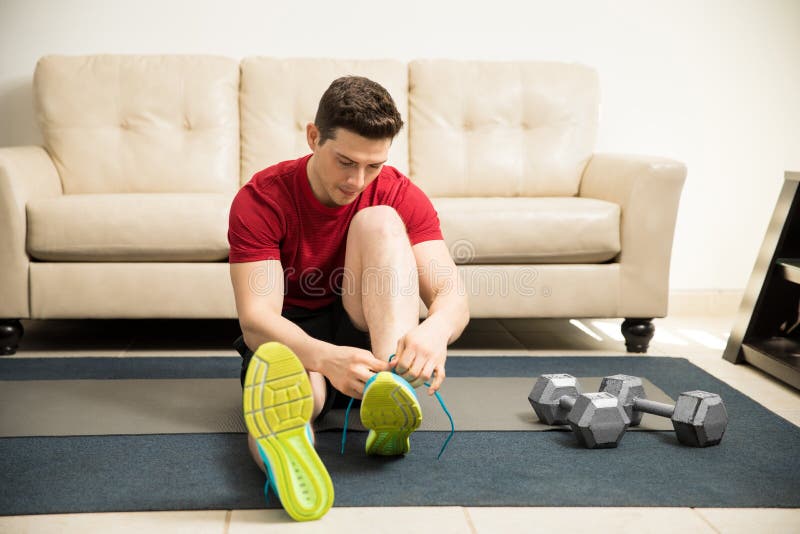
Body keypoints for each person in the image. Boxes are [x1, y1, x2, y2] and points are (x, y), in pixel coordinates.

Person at [228, 75, 469, 521]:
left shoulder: (397, 191)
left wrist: (434, 330)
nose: (358, 180)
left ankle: (388, 387)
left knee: (379, 219)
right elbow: (257, 319)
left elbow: (451, 293)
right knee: (301, 393)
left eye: (373, 166)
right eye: (345, 161)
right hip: (294, 333)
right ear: (313, 137)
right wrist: (327, 359)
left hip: (368, 329)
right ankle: (291, 447)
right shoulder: (262, 198)